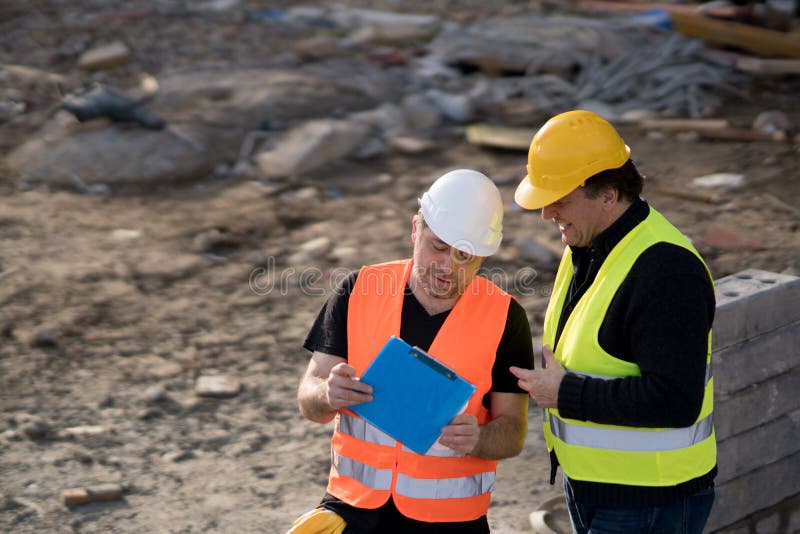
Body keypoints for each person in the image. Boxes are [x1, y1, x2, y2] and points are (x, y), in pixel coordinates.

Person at [292, 169, 535, 534]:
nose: (448, 266)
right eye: (438, 246)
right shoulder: (358, 290)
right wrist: (327, 394)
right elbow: (308, 398)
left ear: (484, 257)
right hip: (354, 509)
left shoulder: (505, 318)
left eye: (464, 256)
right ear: (415, 229)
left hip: (449, 522)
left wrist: (479, 439)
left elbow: (513, 433)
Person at [509, 110, 717, 534]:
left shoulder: (665, 271)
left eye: (561, 199)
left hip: (650, 500)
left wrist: (566, 394)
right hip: (596, 488)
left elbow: (676, 401)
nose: (548, 213)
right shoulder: (588, 245)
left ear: (607, 194)